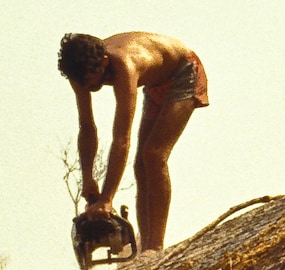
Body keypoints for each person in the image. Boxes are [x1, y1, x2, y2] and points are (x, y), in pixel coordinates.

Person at [58, 31, 207, 253]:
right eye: (85, 83)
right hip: (155, 83)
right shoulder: (78, 72)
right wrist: (89, 181)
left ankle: (155, 247)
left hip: (183, 71)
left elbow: (122, 139)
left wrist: (107, 200)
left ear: (104, 61)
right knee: (140, 164)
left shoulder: (124, 65)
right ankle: (145, 246)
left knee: (154, 156)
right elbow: (87, 128)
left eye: (94, 80)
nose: (91, 87)